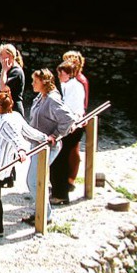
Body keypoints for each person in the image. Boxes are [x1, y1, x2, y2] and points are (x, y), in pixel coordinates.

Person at [0, 89, 46, 239]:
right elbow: (28, 131)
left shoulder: (5, 123)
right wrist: (44, 137)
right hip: (3, 163)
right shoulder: (15, 116)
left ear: (0, 106)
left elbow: (16, 138)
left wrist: (21, 150)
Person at [22, 68, 78, 224]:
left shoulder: (52, 99)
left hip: (47, 147)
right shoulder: (40, 97)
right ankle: (40, 211)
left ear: (43, 83)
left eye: (35, 81)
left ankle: (45, 215)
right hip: (37, 144)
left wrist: (55, 135)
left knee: (34, 181)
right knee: (35, 180)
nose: (32, 84)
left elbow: (68, 119)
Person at [49, 60, 87, 204]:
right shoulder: (67, 85)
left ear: (69, 73)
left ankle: (61, 194)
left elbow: (71, 109)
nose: (59, 76)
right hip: (67, 126)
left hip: (71, 127)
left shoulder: (75, 87)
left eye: (61, 73)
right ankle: (58, 189)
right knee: (58, 161)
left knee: (60, 161)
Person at [0, 44, 26, 188]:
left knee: (11, 142)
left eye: (2, 55)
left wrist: (4, 70)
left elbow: (3, 88)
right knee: (4, 141)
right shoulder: (9, 70)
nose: (0, 58)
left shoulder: (15, 71)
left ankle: (8, 175)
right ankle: (8, 175)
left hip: (13, 109)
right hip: (5, 108)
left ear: (10, 56)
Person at [62, 50, 90, 193]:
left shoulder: (79, 81)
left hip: (76, 120)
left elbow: (80, 103)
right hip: (72, 119)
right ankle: (65, 179)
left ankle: (70, 180)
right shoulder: (73, 80)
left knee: (73, 151)